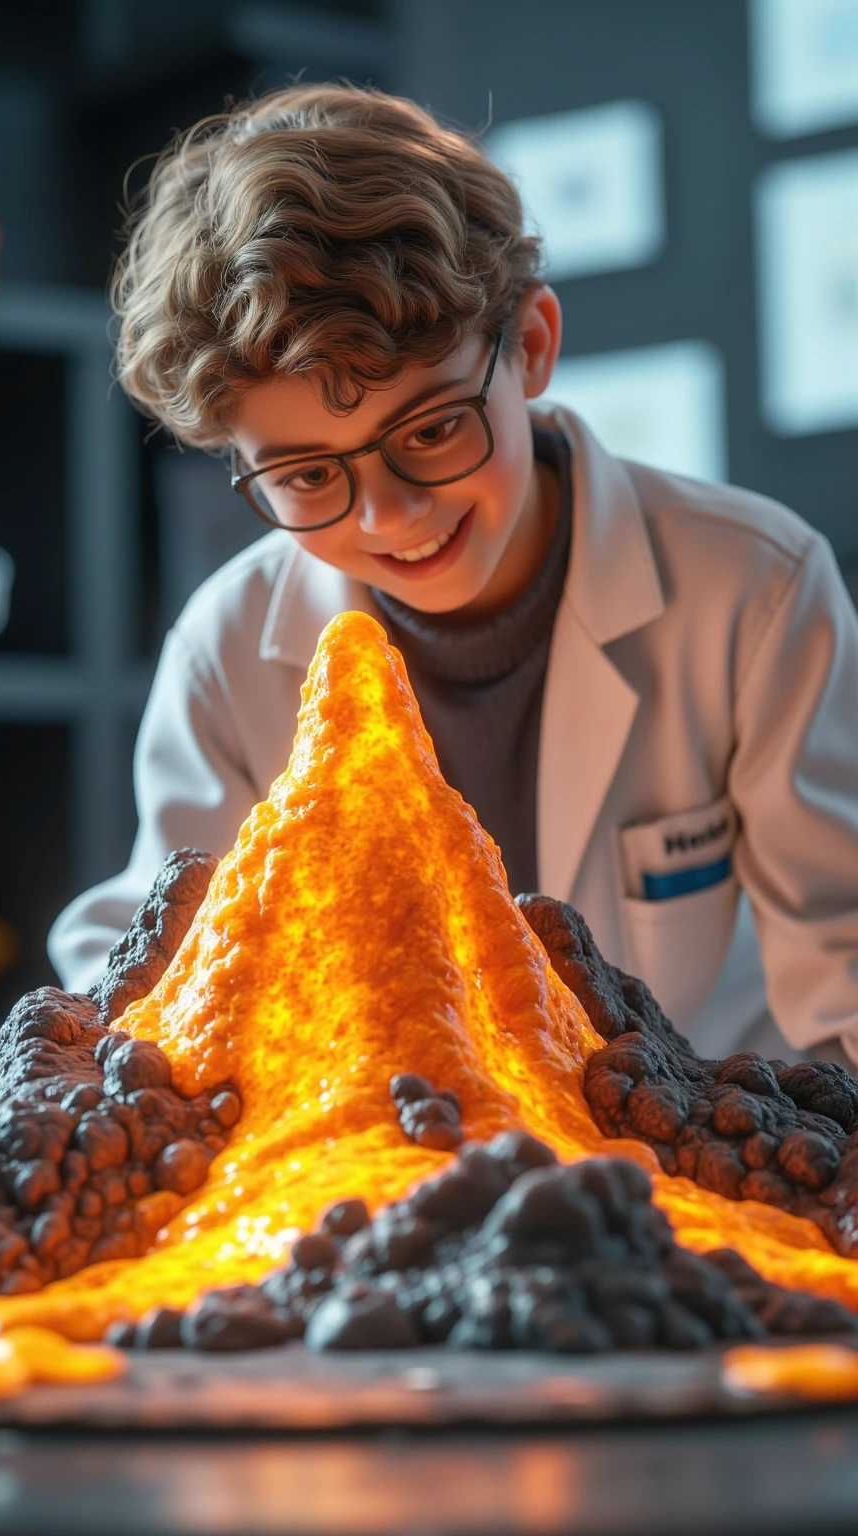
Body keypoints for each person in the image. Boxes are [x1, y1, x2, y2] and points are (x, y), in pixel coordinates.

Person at [48, 82, 858, 1067]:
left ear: (529, 346)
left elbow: (845, 981)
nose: (390, 516)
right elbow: (150, 974)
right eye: (307, 475)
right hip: (374, 1169)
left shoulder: (752, 593)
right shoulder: (228, 650)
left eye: (430, 430)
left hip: (693, 1169)